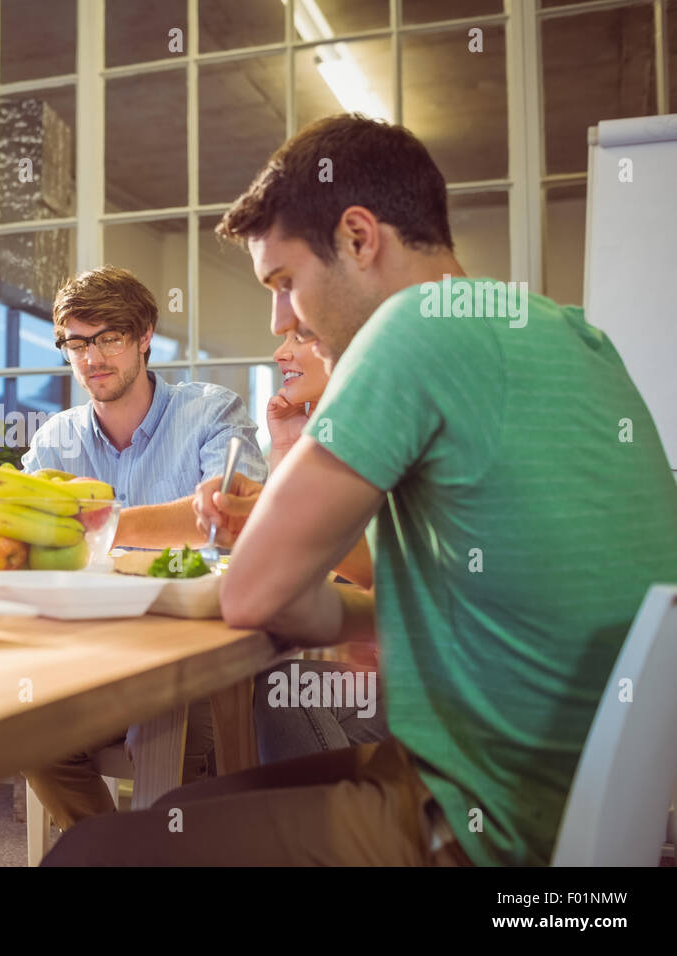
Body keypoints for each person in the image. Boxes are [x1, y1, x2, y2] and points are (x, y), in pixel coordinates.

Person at [43, 114, 677, 866]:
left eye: (284, 283)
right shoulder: (575, 334)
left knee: (89, 855)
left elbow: (251, 597)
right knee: (179, 811)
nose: (283, 318)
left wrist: (282, 554)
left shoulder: (412, 327)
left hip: (474, 826)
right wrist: (346, 595)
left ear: (358, 237)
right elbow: (358, 586)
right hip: (563, 806)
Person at [18, 265, 268, 831]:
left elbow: (227, 518)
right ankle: (117, 853)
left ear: (144, 334)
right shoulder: (54, 440)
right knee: (28, 735)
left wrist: (93, 523)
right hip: (92, 655)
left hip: (196, 657)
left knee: (170, 746)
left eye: (109, 338)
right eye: (77, 343)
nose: (92, 358)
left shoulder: (211, 412)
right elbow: (27, 532)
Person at [252, 330, 387, 764]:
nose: (280, 353)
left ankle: (338, 827)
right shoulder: (338, 441)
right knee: (273, 695)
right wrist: (288, 454)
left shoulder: (389, 434)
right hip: (388, 675)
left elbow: (380, 571)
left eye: (303, 335)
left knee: (282, 691)